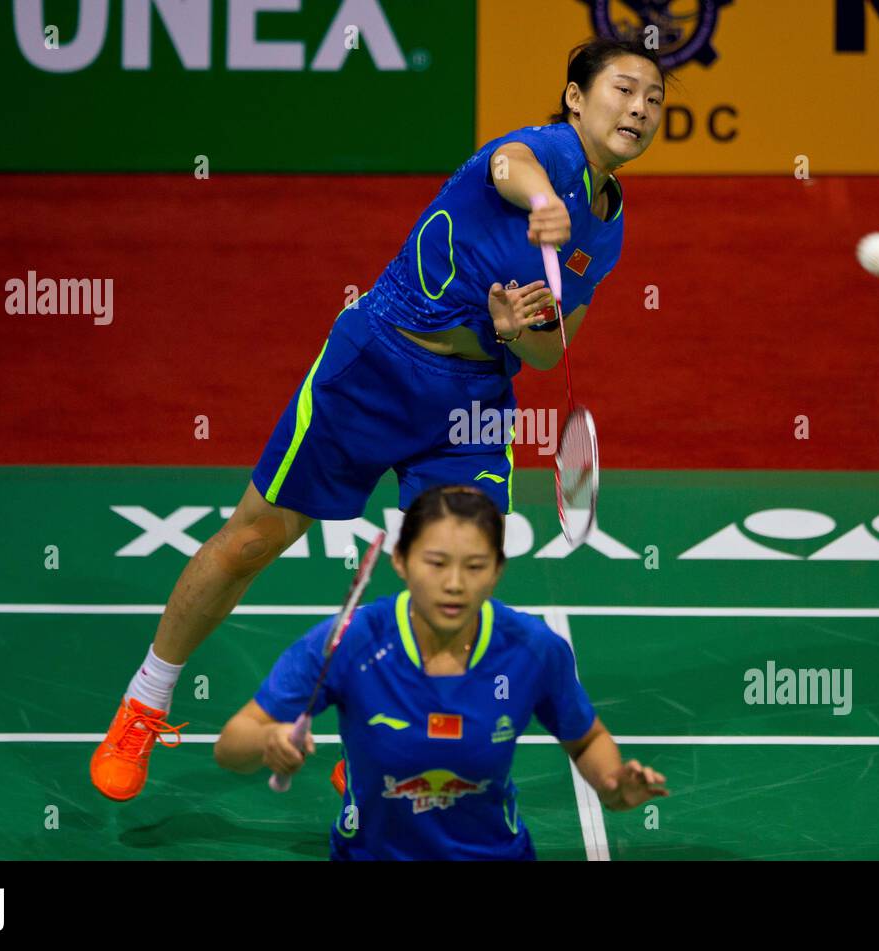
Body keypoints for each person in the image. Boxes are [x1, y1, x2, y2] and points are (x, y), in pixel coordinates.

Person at [91, 37, 670, 801]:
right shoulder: (540, 155)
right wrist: (542, 202)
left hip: (469, 400)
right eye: (624, 89)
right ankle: (145, 700)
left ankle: (372, 741)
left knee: (452, 573)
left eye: (655, 99)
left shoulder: (611, 227)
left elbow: (546, 350)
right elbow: (506, 169)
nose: (639, 108)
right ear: (574, 99)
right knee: (255, 537)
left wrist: (507, 327)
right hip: (377, 361)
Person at [214, 485, 668, 860]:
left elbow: (586, 738)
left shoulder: (532, 649)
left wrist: (613, 786)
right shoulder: (351, 642)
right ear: (401, 561)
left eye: (474, 567)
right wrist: (267, 743)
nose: (454, 583)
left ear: (497, 572)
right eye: (436, 563)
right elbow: (232, 746)